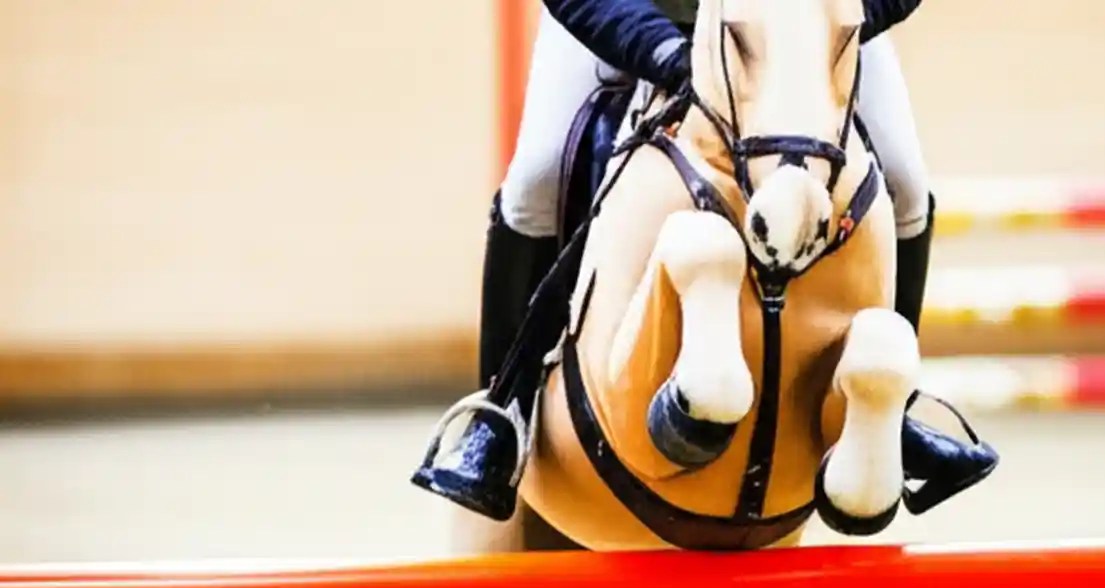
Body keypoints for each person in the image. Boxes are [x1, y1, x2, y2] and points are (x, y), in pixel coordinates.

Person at [412, 0, 999, 521]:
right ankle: (502, 411)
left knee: (904, 181)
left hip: (806, 24)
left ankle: (896, 414)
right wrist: (666, 53)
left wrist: (818, 25)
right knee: (535, 178)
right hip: (638, 20)